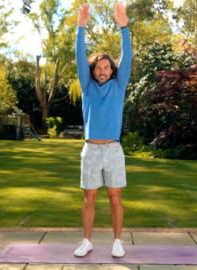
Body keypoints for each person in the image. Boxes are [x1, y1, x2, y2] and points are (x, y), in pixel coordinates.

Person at [73, 2, 132, 258]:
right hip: (91, 150)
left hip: (113, 149)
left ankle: (117, 241)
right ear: (93, 71)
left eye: (107, 67)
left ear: (113, 70)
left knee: (115, 198)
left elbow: (127, 56)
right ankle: (86, 241)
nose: (103, 71)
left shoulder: (119, 86)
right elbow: (79, 55)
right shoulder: (87, 87)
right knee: (89, 199)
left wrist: (124, 28)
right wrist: (81, 27)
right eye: (99, 67)